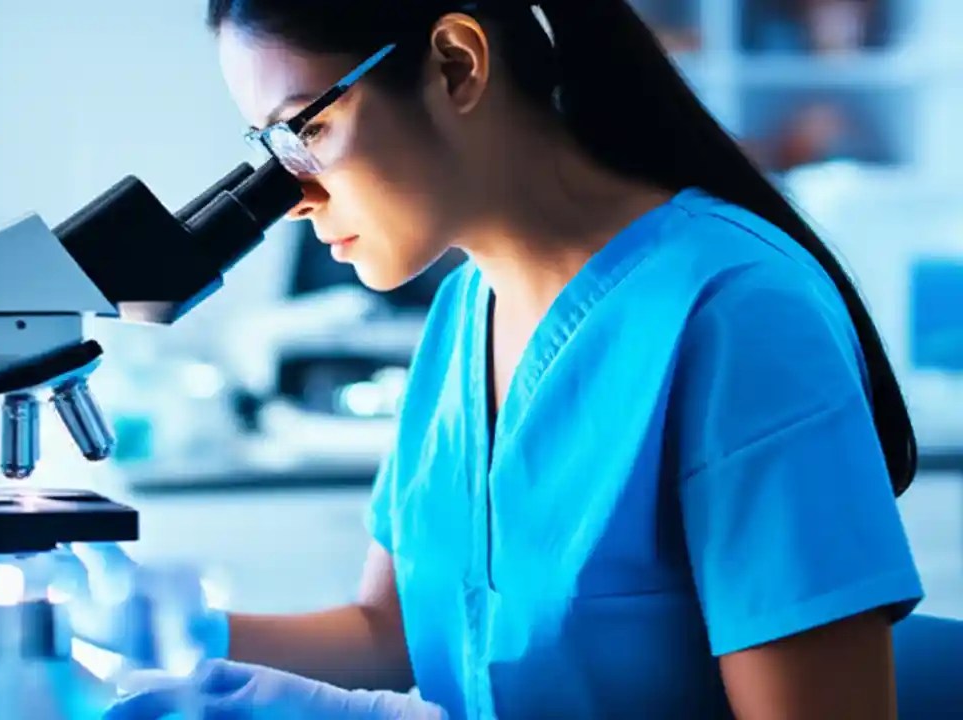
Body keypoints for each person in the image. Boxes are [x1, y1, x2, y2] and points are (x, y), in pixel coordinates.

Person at [103, 0, 924, 717]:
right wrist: (147, 623)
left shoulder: (737, 313)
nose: (296, 199)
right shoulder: (464, 312)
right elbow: (396, 637)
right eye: (272, 149)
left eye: (307, 131)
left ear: (457, 65)